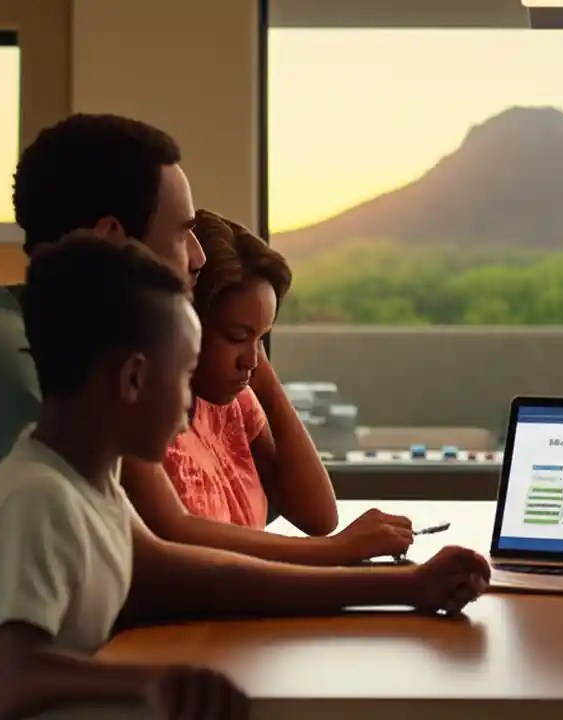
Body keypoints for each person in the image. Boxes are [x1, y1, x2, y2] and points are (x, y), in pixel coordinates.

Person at [0, 114, 490, 715]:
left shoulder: (79, 379)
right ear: (114, 239)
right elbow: (150, 574)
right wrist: (392, 583)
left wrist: (401, 584)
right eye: (183, 232)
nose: (199, 254)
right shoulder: (11, 362)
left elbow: (150, 556)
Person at [0, 233, 249, 719]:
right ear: (133, 379)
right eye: (185, 375)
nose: (188, 403)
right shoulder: (38, 495)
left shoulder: (95, 485)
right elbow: (16, 680)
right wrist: (154, 679)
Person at [122, 210, 412, 564]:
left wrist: (263, 375)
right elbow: (177, 535)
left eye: (261, 338)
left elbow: (318, 516)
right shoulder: (138, 411)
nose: (250, 360)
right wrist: (340, 550)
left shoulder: (234, 401)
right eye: (236, 336)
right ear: (186, 320)